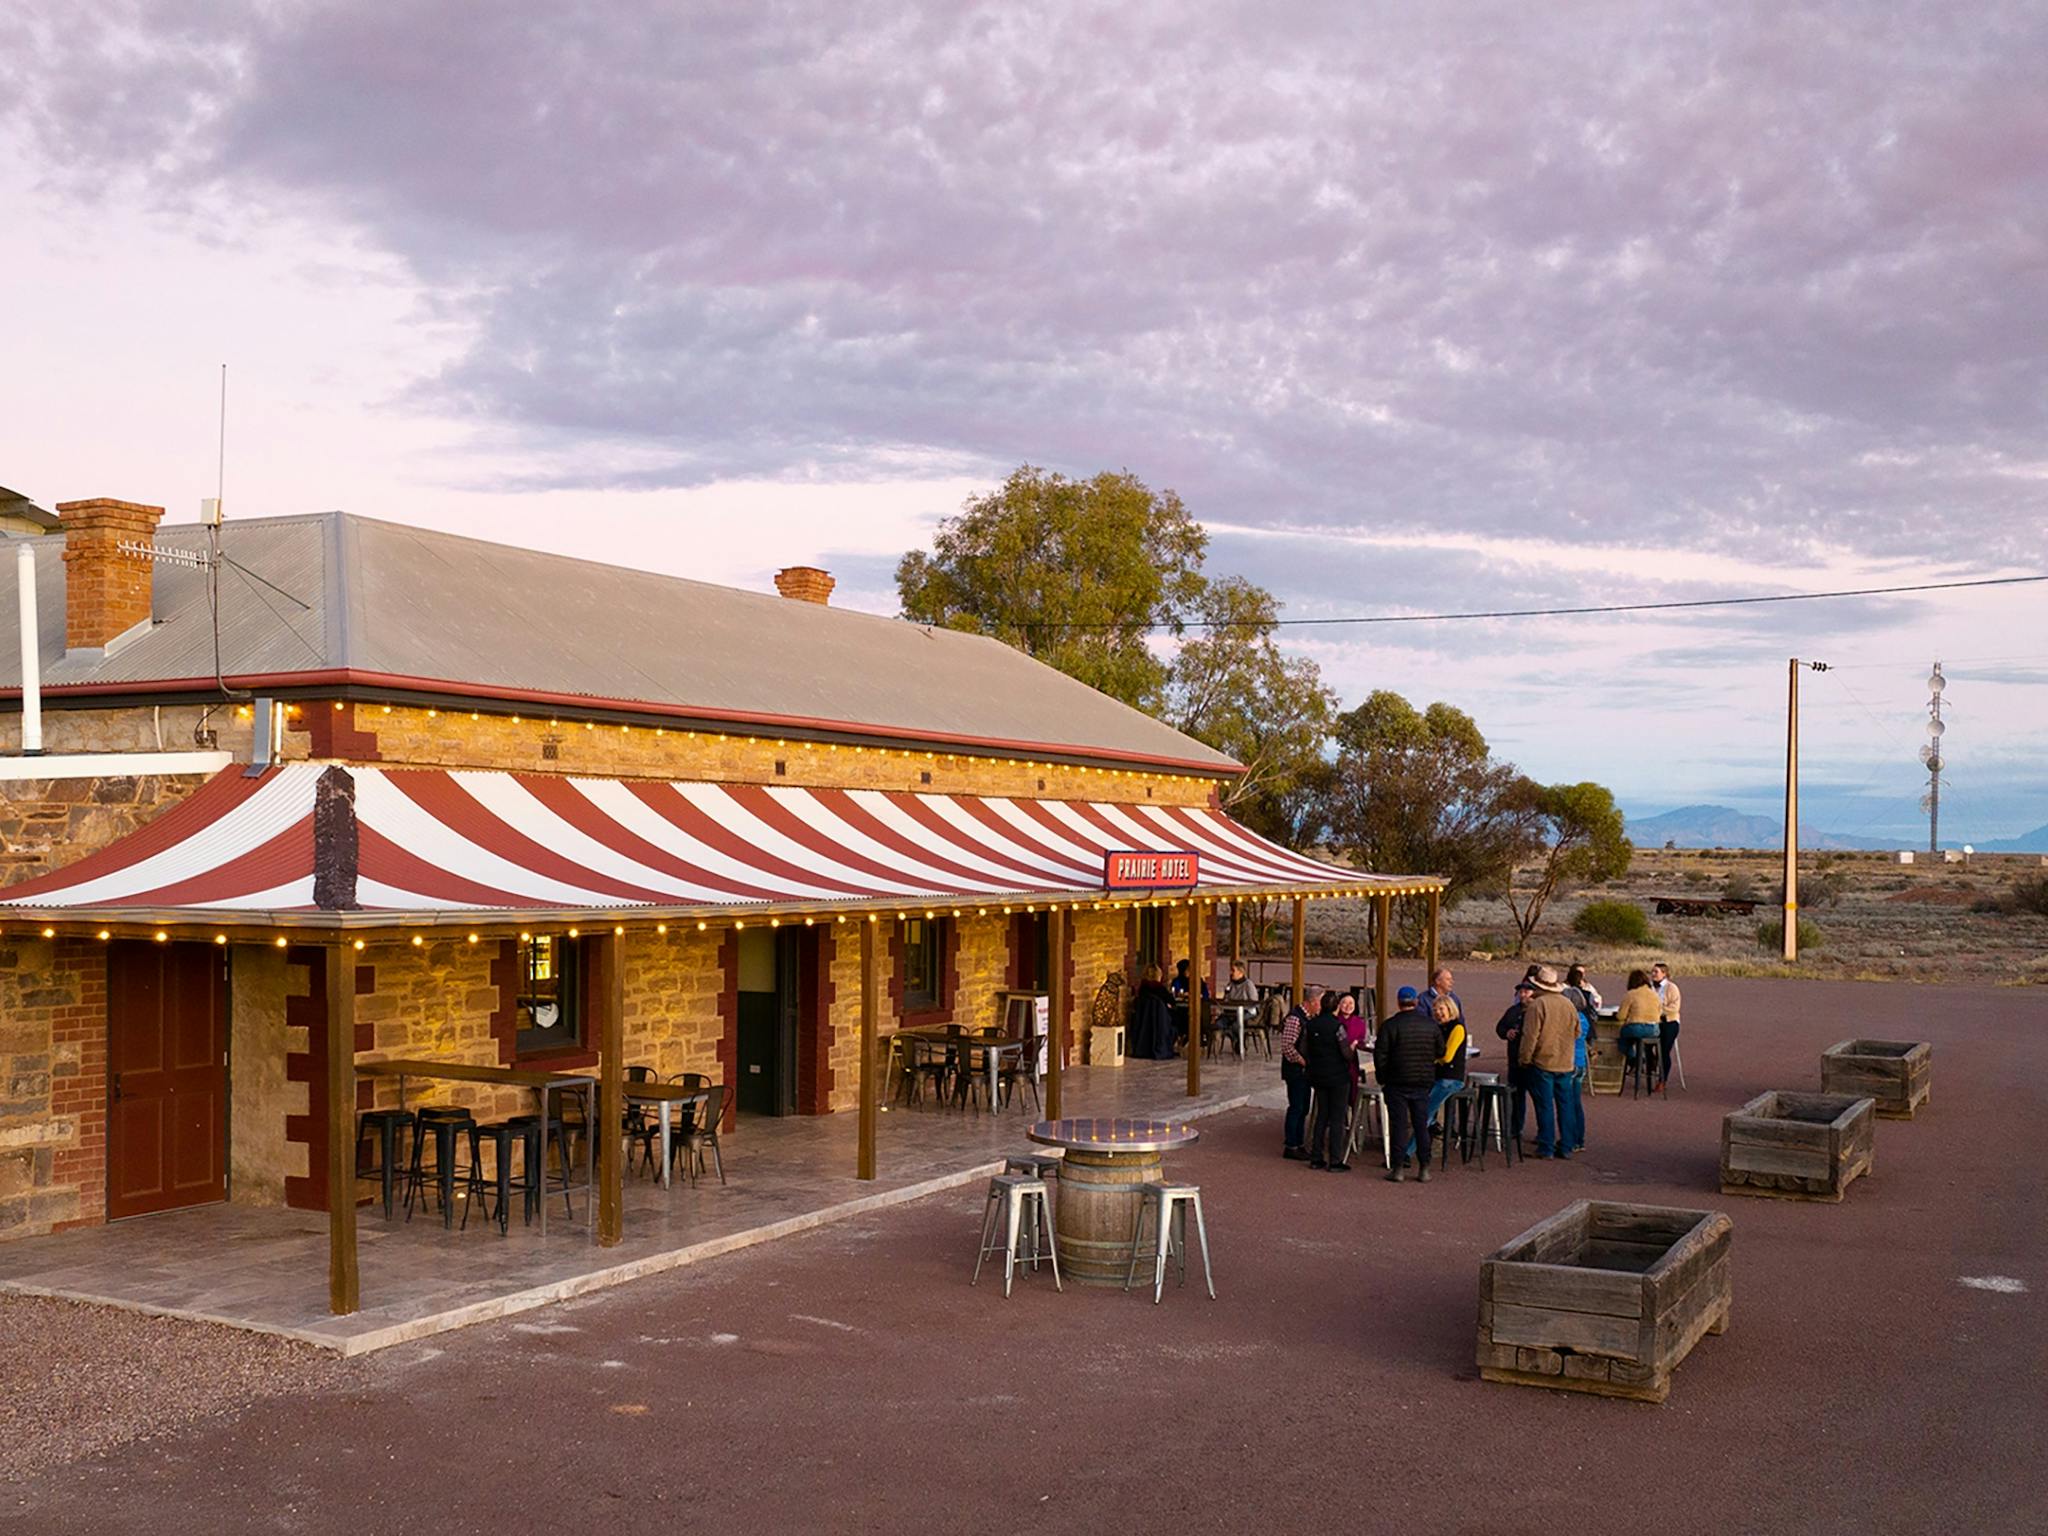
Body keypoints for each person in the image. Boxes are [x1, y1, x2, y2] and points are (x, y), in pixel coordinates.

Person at [1373, 987, 1443, 1183]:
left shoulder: (1389, 1026)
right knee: (1421, 1125)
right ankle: (1424, 1167)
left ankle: (1398, 1168)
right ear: (1417, 1002)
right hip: (1422, 1081)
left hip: (1397, 1081)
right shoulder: (1430, 1025)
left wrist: (1383, 1077)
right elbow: (1440, 1050)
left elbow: (1380, 1055)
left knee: (1399, 1126)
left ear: (1398, 1002)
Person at [1518, 965, 1581, 1159]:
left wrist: (1524, 1059)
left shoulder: (1537, 1005)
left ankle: (1546, 1146)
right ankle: (1567, 1145)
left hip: (1543, 1061)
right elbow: (1577, 1032)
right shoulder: (1568, 1004)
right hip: (1565, 1061)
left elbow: (1530, 1036)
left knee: (1544, 1105)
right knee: (1566, 1105)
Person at [1301, 990, 1352, 1170]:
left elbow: (1304, 1049)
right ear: (1336, 1007)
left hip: (1318, 1074)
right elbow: (1346, 1053)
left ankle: (1316, 1156)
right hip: (1338, 1076)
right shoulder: (1338, 1027)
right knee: (1337, 1118)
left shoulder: (1311, 1025)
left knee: (1321, 1115)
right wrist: (1351, 1050)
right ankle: (1335, 1159)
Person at [1278, 984, 1323, 1160]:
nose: (1320, 1006)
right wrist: (1302, 1060)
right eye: (1320, 1002)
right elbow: (1287, 1046)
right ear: (1312, 1001)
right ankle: (1291, 1144)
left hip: (1303, 1070)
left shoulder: (1308, 1018)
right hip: (1295, 1070)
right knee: (1296, 1107)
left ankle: (1299, 1143)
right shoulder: (1295, 1019)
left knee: (1304, 1107)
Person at [1495, 978, 1536, 1145]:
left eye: (1526, 991)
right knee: (1516, 1096)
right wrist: (1507, 1033)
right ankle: (1515, 1128)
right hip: (1514, 1061)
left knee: (1539, 1097)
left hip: (1532, 1062)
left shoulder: (1536, 1010)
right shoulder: (1513, 1011)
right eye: (1521, 991)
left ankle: (1543, 1133)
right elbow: (1500, 1028)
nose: (1523, 994)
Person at [1616, 968, 1660, 1077]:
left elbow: (1620, 1016)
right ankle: (1644, 1060)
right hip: (1654, 1029)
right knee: (1638, 1039)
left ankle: (1635, 1060)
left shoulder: (1631, 994)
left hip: (1636, 1027)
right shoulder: (1654, 995)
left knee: (1622, 1040)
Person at [1130, 964, 1177, 1060]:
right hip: (1160, 1022)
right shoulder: (1160, 989)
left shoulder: (1143, 989)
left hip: (1144, 1023)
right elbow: (1172, 1001)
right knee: (1177, 1019)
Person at [1651, 962, 1682, 1091]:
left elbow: (1674, 1008)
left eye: (1656, 972)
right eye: (1652, 971)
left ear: (1664, 974)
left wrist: (1658, 1010)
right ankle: (1650, 1063)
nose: (1653, 974)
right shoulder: (1649, 987)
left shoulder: (1671, 988)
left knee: (1663, 1051)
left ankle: (1663, 1080)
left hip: (1669, 1022)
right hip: (1653, 1022)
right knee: (1644, 1044)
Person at [1417, 966, 1463, 1033]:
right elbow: (1422, 1022)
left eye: (1451, 979)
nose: (1451, 982)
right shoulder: (1423, 999)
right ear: (1438, 981)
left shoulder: (1454, 998)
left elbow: (1460, 1019)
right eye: (1448, 979)